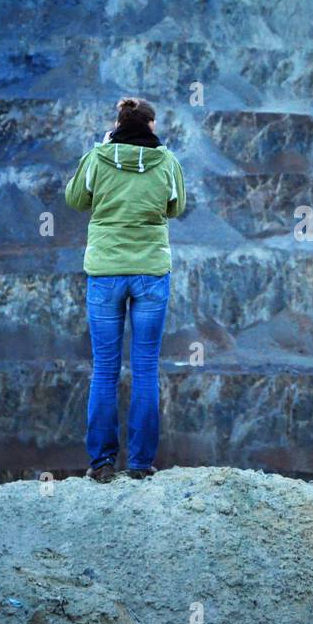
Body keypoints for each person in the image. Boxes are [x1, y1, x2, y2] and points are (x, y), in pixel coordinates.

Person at [64, 97, 187, 483]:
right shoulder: (166, 162)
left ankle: (101, 463)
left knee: (104, 369)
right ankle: (139, 464)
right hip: (150, 271)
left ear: (118, 123)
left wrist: (103, 152)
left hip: (105, 272)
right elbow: (176, 207)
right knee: (146, 368)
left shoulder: (97, 158)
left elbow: (74, 200)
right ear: (150, 124)